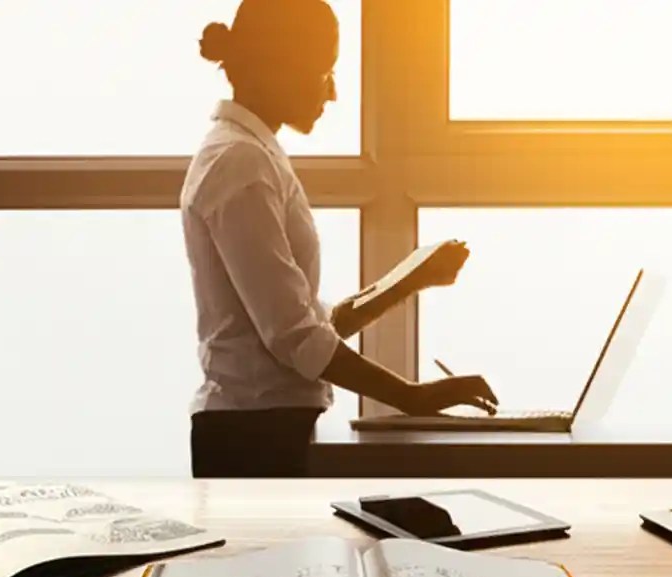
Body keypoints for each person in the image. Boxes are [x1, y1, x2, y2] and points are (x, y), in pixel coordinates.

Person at [182, 0, 497, 478]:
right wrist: (411, 396)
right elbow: (294, 336)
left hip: (263, 427)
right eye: (323, 71)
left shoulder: (253, 155)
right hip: (252, 437)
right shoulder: (239, 164)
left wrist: (410, 279)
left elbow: (303, 325)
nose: (331, 93)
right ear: (280, 68)